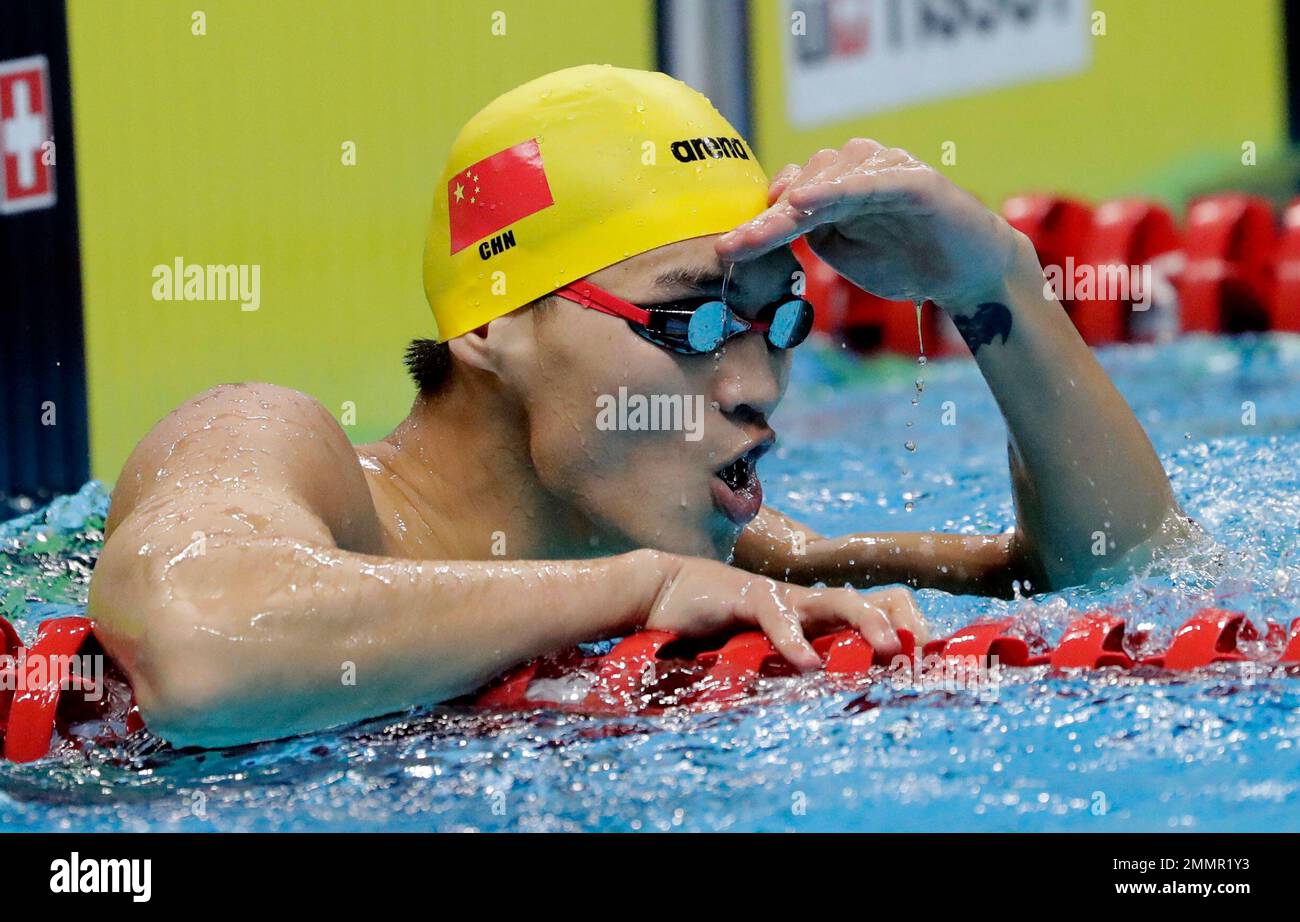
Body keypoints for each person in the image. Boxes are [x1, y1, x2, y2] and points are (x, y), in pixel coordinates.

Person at [88, 65, 1195, 747]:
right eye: (692, 321)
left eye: (777, 320)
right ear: (493, 325)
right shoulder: (275, 446)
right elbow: (200, 650)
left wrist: (992, 280)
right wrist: (642, 586)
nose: (758, 386)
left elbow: (1120, 575)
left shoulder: (733, 551)